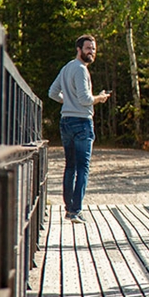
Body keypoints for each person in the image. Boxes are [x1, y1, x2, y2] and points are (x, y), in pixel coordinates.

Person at [48, 35, 111, 224]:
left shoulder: (67, 67)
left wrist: (68, 101)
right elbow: (85, 100)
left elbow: (52, 93)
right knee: (83, 168)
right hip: (82, 122)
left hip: (65, 120)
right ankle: (75, 211)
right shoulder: (81, 70)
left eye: (93, 48)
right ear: (78, 49)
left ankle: (69, 209)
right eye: (87, 48)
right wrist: (100, 98)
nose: (91, 51)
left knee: (70, 166)